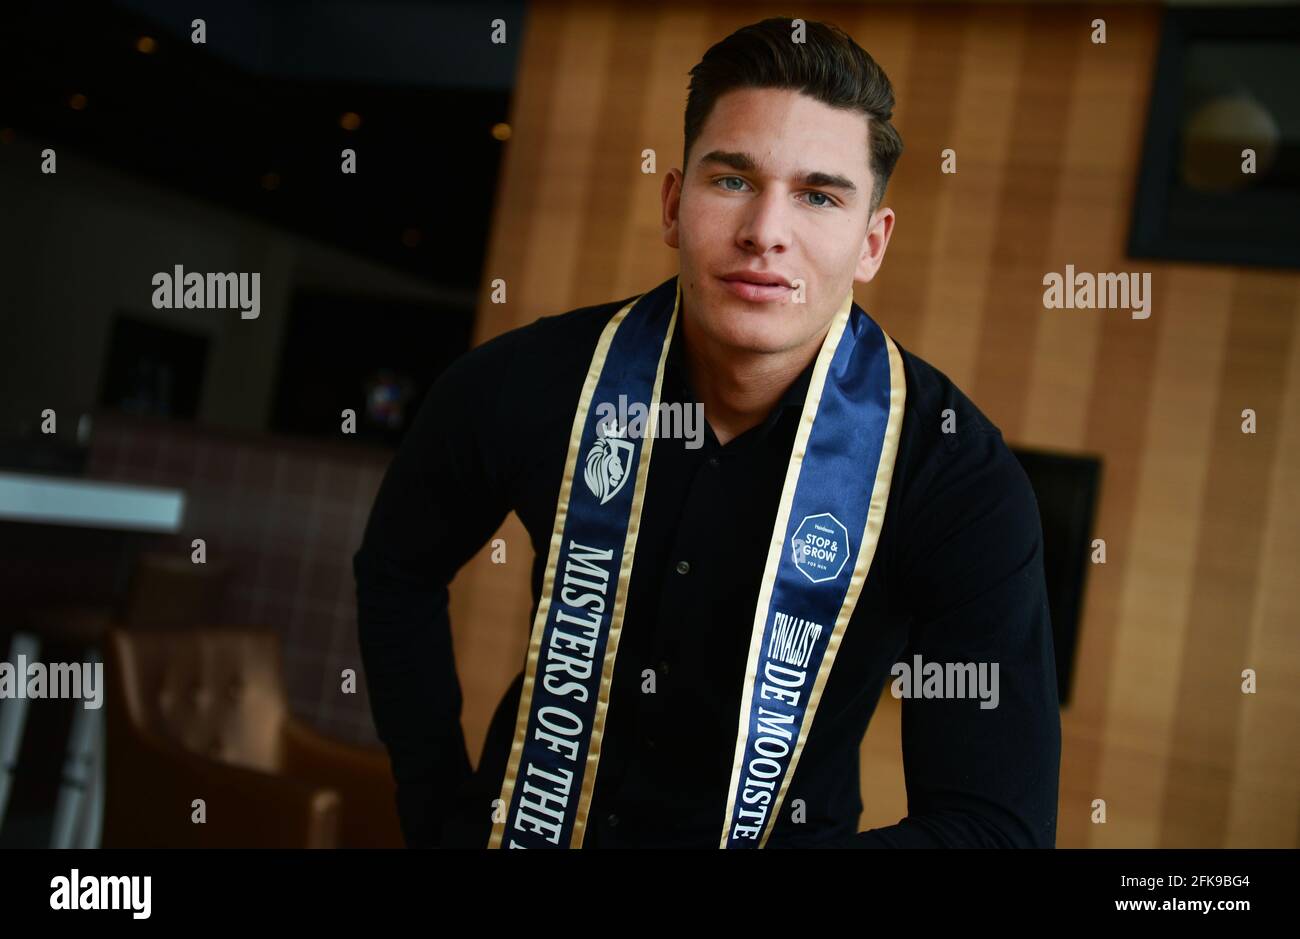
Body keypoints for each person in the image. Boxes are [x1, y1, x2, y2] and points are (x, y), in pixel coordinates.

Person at [353, 16, 1061, 849]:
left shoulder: (954, 478)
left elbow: (996, 828)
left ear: (872, 243)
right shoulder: (525, 384)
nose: (766, 231)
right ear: (671, 201)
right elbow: (397, 569)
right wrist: (435, 809)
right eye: (731, 181)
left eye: (819, 195)